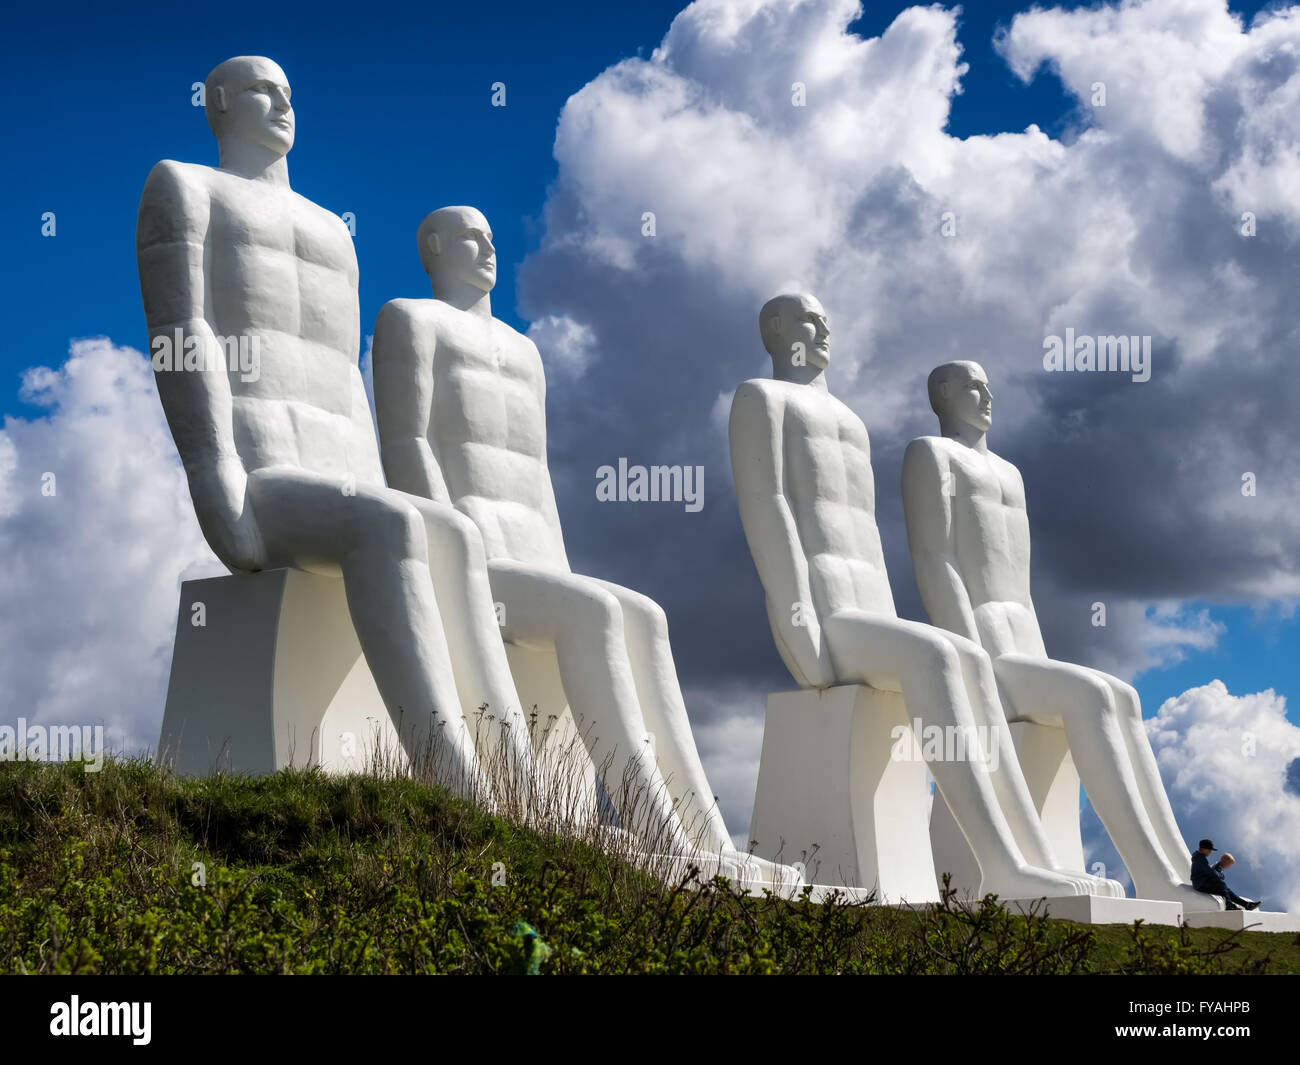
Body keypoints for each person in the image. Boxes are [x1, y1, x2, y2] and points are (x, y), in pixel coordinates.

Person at [136, 58, 534, 799]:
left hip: (339, 471)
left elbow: (346, 372)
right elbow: (182, 333)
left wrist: (387, 489)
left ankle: (519, 789)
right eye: (262, 89)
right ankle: (457, 784)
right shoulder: (184, 188)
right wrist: (212, 468)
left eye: (290, 90)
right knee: (388, 524)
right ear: (218, 103)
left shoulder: (330, 230)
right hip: (263, 469)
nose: (283, 101)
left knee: (456, 533)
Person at [370, 206, 800, 891]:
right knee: (595, 613)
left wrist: (563, 571)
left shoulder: (526, 352)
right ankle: (659, 831)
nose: (486, 248)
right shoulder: (409, 321)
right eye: (468, 238)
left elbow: (537, 474)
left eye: (491, 236)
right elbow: (407, 442)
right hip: (469, 554)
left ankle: (708, 834)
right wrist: (449, 554)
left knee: (646, 616)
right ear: (431, 249)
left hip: (530, 556)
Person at [728, 293, 1123, 901]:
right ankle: (999, 863)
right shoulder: (762, 398)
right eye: (809, 319)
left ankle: (1028, 855)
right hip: (827, 610)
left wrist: (898, 621)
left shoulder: (853, 423)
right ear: (776, 329)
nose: (824, 326)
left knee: (961, 657)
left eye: (827, 317)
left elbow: (867, 533)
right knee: (944, 655)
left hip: (871, 606)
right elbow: (769, 504)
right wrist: (792, 611)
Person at [902, 359, 1221, 912]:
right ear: (942, 395)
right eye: (972, 386)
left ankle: (1178, 871)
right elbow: (936, 561)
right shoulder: (932, 456)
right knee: (1094, 695)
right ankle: (1152, 875)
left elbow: (1020, 588)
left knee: (1124, 695)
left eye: (989, 383)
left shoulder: (1010, 473)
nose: (986, 394)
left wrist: (1039, 656)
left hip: (1022, 643)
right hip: (986, 652)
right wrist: (974, 667)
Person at [1190, 840, 1260, 910]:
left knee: (1226, 889)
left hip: (1201, 883)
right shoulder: (1200, 858)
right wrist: (1221, 876)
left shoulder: (1200, 858)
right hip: (1200, 884)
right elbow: (1211, 872)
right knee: (1222, 885)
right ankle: (1229, 905)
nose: (1210, 852)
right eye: (1209, 850)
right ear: (1203, 849)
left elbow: (1209, 872)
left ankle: (1246, 904)